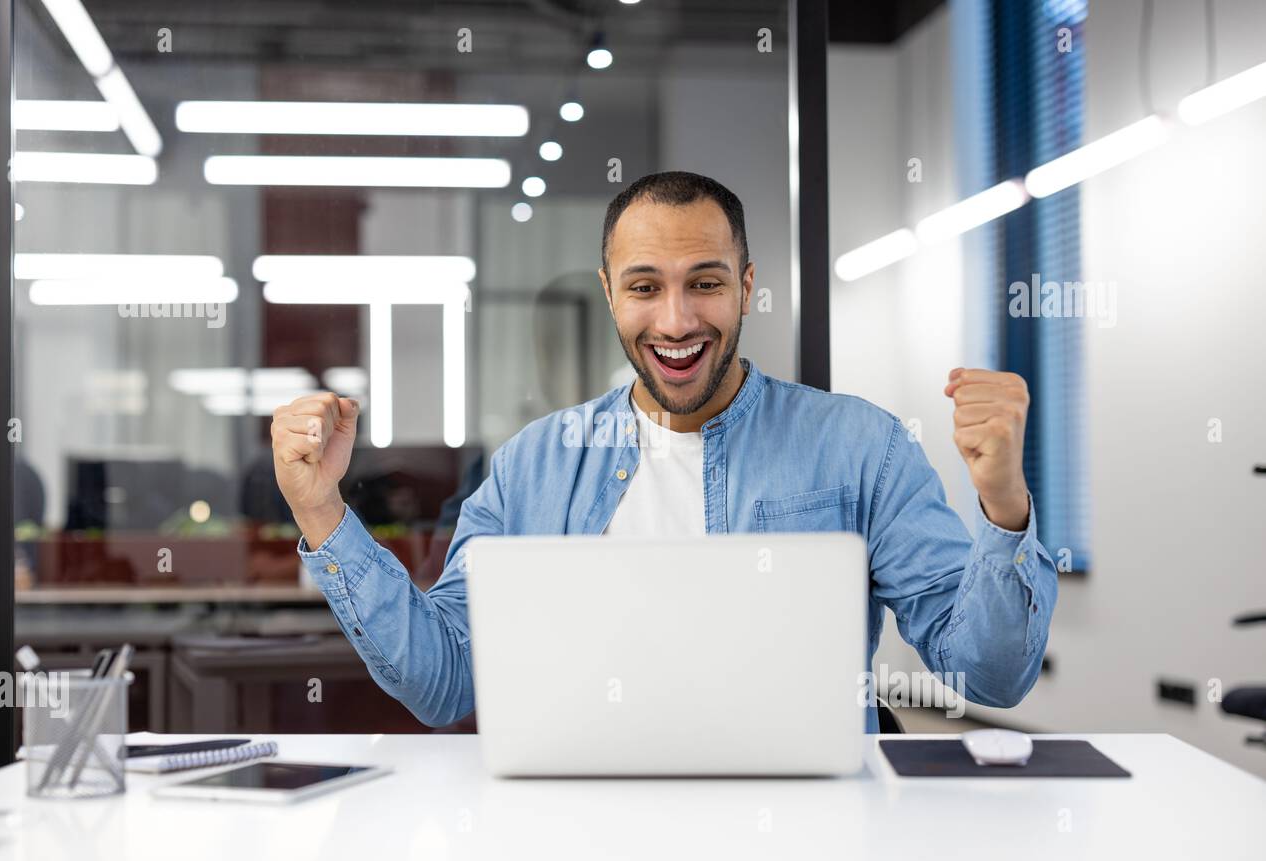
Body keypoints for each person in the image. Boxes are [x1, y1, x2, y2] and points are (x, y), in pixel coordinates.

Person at [271, 170, 1057, 731]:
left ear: (747, 287)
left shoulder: (861, 446)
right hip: (587, 829)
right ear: (610, 292)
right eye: (645, 286)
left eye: (705, 283)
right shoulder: (534, 465)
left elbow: (988, 675)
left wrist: (1003, 503)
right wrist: (322, 511)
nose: (677, 320)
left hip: (809, 833)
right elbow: (442, 683)